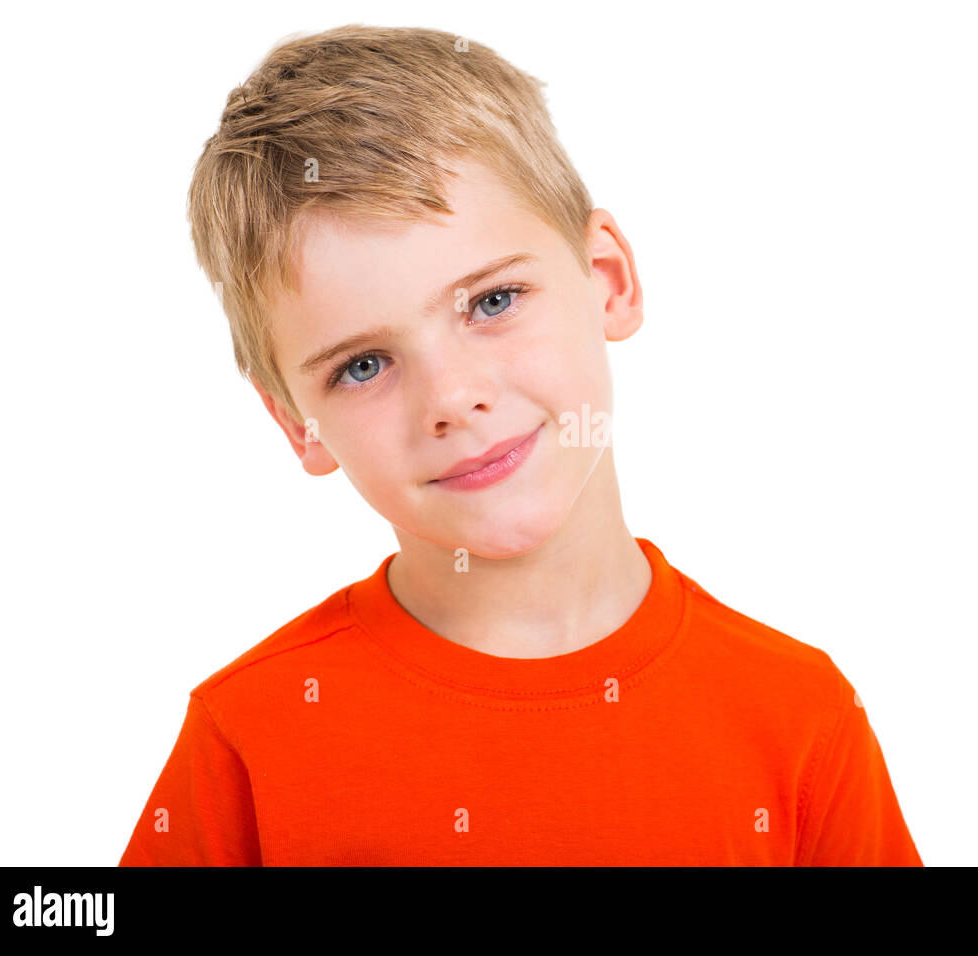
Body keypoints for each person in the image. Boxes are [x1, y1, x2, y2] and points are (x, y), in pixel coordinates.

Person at [119, 23, 922, 866]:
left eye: (492, 302)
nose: (452, 398)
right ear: (297, 424)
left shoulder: (798, 718)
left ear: (607, 280)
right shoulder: (250, 737)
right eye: (363, 365)